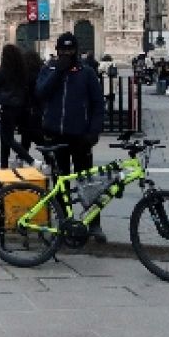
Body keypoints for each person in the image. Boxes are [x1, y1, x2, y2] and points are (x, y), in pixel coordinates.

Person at [36, 32, 106, 242]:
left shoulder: (87, 73)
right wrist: (58, 71)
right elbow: (40, 93)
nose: (66, 54)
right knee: (60, 183)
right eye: (63, 51)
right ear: (57, 51)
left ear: (76, 51)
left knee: (87, 182)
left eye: (70, 51)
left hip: (80, 136)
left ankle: (94, 224)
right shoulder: (49, 69)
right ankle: (65, 222)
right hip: (55, 136)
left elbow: (98, 104)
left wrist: (93, 132)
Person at [0, 44, 38, 169]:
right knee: (5, 138)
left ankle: (31, 161)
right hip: (20, 107)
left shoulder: (5, 70)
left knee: (7, 137)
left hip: (8, 107)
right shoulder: (22, 70)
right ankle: (4, 166)